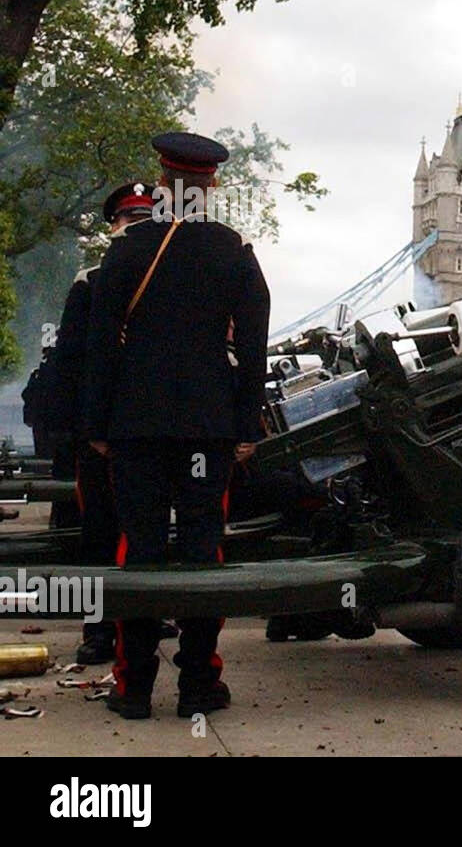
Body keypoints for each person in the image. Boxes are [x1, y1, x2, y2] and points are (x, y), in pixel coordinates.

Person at [84, 133, 270, 720]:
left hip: (136, 426)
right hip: (207, 428)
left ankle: (133, 685)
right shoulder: (233, 250)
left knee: (136, 549)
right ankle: (197, 683)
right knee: (201, 548)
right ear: (211, 185)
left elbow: (99, 345)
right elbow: (254, 347)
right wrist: (246, 427)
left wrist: (98, 424)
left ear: (162, 183)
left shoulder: (128, 248)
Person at [48, 183, 157, 664]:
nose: (133, 229)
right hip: (102, 432)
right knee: (99, 532)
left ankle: (148, 616)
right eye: (128, 222)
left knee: (149, 531)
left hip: (149, 427)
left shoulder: (168, 279)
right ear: (114, 228)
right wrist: (85, 431)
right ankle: (98, 629)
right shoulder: (89, 282)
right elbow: (71, 362)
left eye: (142, 222)